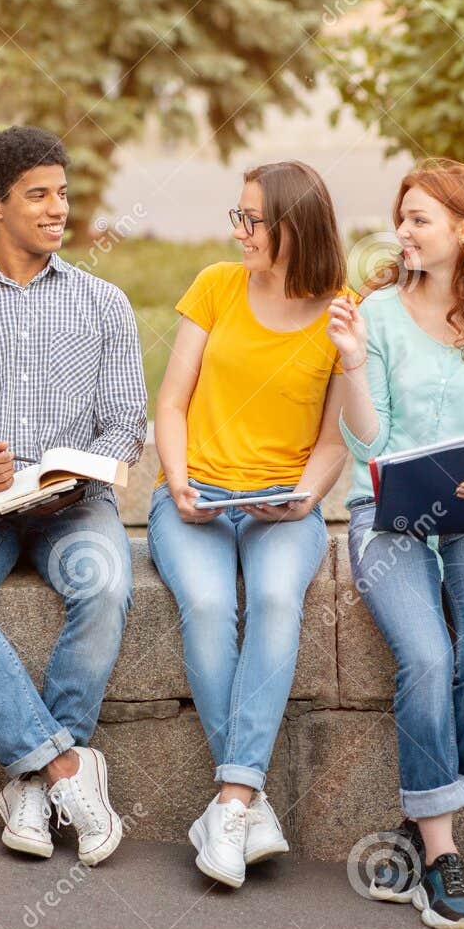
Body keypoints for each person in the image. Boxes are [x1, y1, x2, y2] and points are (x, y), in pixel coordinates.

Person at [0, 126, 147, 868]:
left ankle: (37, 786)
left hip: (73, 507)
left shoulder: (104, 303)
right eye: (38, 195)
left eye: (63, 193)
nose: (57, 208)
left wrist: (81, 472)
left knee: (105, 582)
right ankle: (65, 766)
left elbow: (126, 423)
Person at [327, 158, 464, 929]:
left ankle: (415, 829)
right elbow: (369, 439)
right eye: (403, 216)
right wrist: (353, 361)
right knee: (425, 658)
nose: (404, 231)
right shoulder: (378, 315)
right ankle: (445, 854)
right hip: (388, 514)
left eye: (421, 218)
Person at [148, 161, 350, 889]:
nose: (239, 231)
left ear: (296, 227)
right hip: (195, 492)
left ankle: (230, 800)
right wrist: (176, 482)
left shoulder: (339, 313)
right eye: (237, 216)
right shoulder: (215, 286)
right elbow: (171, 403)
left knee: (272, 601)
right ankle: (247, 800)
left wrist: (302, 497)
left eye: (252, 220)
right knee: (205, 604)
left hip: (283, 503)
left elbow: (338, 440)